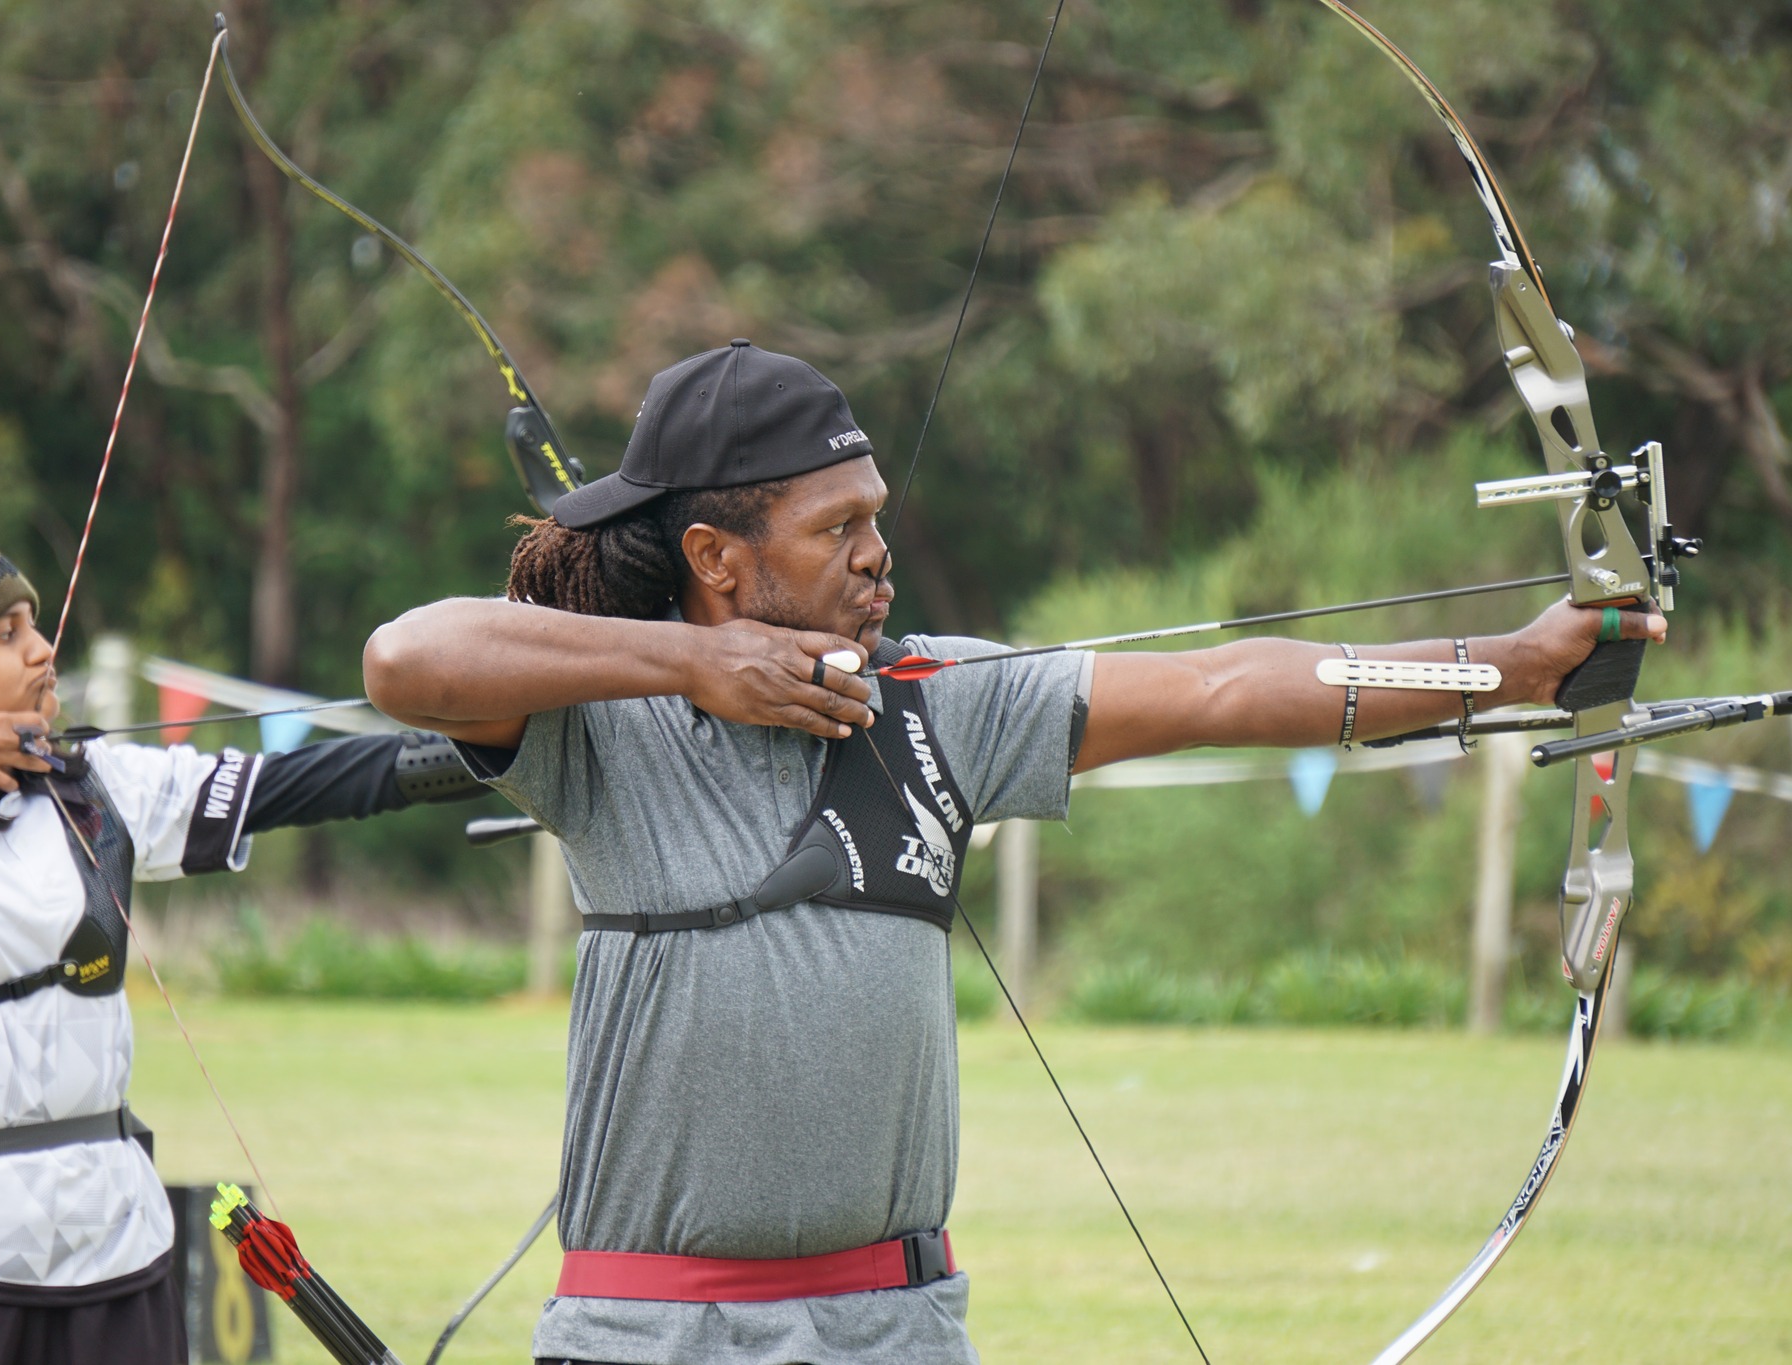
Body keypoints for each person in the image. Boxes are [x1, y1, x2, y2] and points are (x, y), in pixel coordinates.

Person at [361, 339, 1666, 1365]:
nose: (875, 555)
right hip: (647, 1336)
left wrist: (1509, 665)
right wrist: (693, 665)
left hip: (895, 1331)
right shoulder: (602, 728)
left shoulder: (934, 703)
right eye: (833, 529)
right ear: (715, 558)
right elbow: (407, 658)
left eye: (874, 516)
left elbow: (1221, 688)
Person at [0, 530, 487, 1365]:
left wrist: (493, 748)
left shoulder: (96, 783)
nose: (43, 648)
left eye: (34, 623)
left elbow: (306, 782)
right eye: (6, 634)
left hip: (115, 1250)